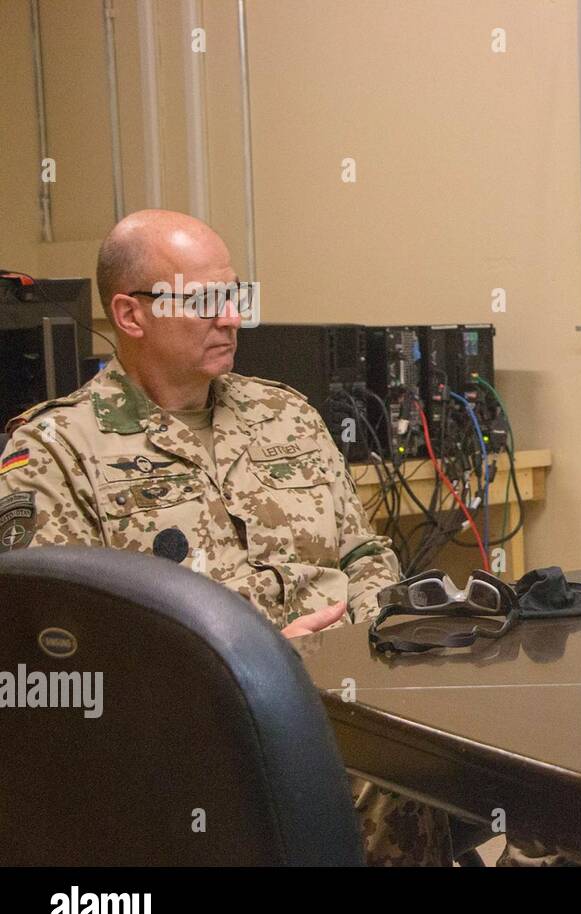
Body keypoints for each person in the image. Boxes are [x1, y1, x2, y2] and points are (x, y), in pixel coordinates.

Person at [0, 209, 450, 865]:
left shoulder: (285, 414)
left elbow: (364, 554)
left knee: (509, 761)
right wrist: (261, 665)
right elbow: (58, 658)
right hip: (202, 738)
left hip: (360, 696)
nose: (232, 317)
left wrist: (368, 637)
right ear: (131, 315)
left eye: (234, 295)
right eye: (206, 300)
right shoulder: (55, 452)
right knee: (384, 791)